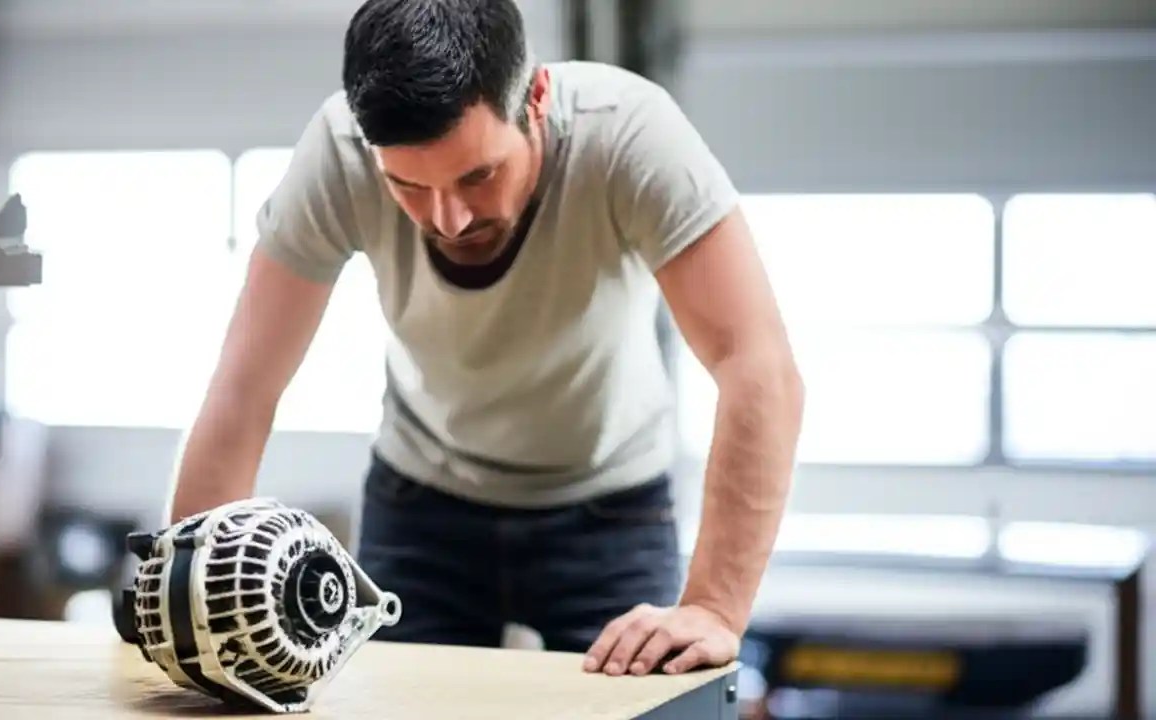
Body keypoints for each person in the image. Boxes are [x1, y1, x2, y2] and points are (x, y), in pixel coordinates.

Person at [167, 0, 804, 678]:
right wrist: (191, 613)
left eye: (478, 175)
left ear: (536, 96)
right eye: (407, 186)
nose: (448, 218)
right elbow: (245, 386)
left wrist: (712, 607)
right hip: (422, 501)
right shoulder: (338, 150)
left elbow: (758, 367)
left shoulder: (630, 135)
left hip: (608, 509)